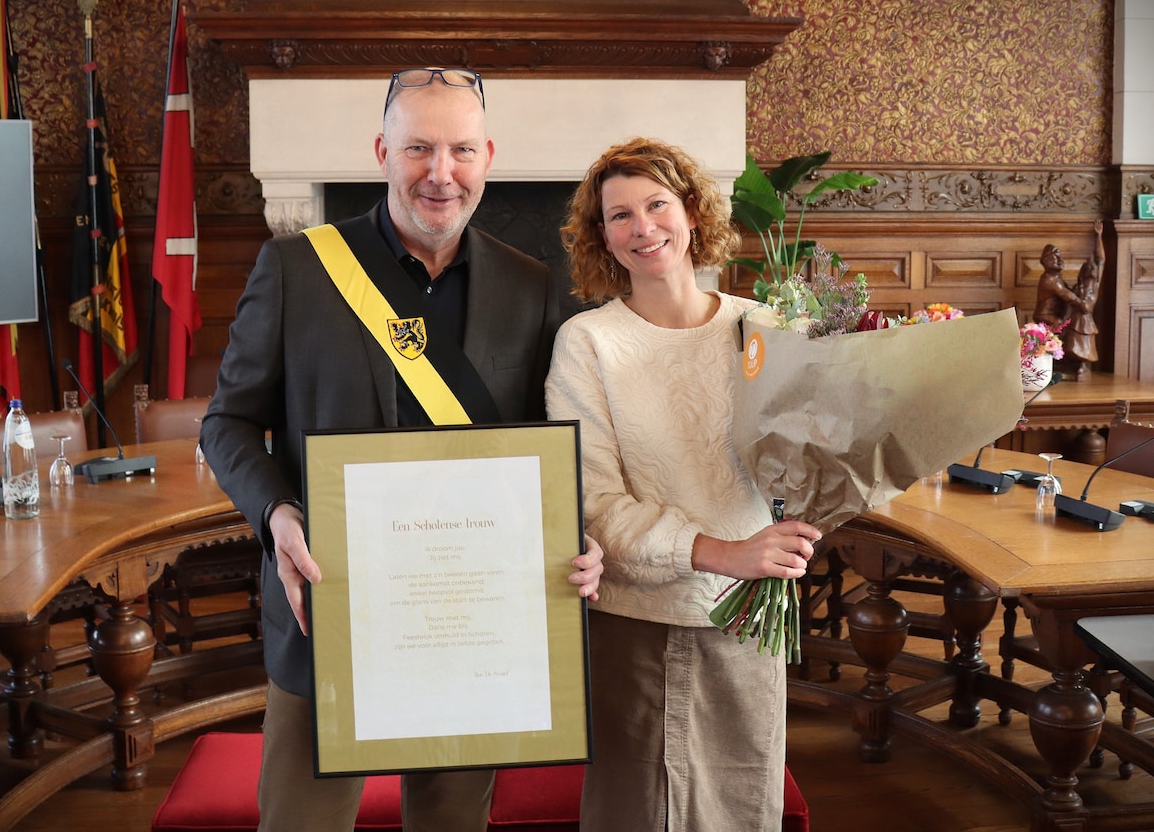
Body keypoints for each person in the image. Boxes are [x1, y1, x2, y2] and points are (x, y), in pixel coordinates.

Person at [200, 67, 603, 832]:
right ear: (383, 152)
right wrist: (278, 514)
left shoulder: (531, 284)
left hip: (470, 618)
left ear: (488, 157)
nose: (440, 173)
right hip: (327, 606)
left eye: (461, 150)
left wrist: (572, 534)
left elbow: (543, 449)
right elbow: (227, 423)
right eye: (419, 147)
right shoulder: (296, 268)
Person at [545, 137, 821, 831]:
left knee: (742, 807)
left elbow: (807, 461)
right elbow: (592, 503)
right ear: (601, 236)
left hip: (748, 615)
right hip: (635, 621)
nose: (643, 228)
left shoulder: (763, 327)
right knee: (636, 813)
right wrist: (724, 552)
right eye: (619, 215)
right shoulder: (587, 342)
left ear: (693, 212)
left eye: (657, 205)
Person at [1062, 221, 1105, 379]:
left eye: (1092, 268)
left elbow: (1101, 260)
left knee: (1085, 345)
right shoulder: (1077, 288)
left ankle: (1083, 365)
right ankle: (1072, 364)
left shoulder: (1095, 285)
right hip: (1074, 319)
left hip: (1086, 321)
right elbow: (1068, 305)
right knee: (1071, 344)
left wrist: (1098, 237)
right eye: (1088, 267)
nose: (1091, 269)